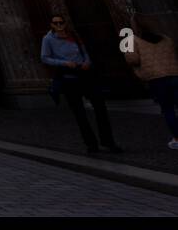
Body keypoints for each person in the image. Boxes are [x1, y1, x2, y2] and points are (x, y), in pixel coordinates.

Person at [41, 14, 121, 153]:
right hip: (68, 78)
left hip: (85, 75)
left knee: (101, 108)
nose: (59, 25)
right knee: (79, 114)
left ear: (65, 23)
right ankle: (91, 144)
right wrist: (64, 63)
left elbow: (85, 51)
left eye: (61, 22)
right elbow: (44, 58)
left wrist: (87, 62)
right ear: (51, 25)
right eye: (56, 23)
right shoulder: (48, 39)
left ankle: (108, 141)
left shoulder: (73, 35)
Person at [123, 14, 178, 149]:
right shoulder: (165, 38)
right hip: (174, 75)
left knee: (168, 110)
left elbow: (132, 60)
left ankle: (177, 138)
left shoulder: (131, 40)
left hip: (156, 79)